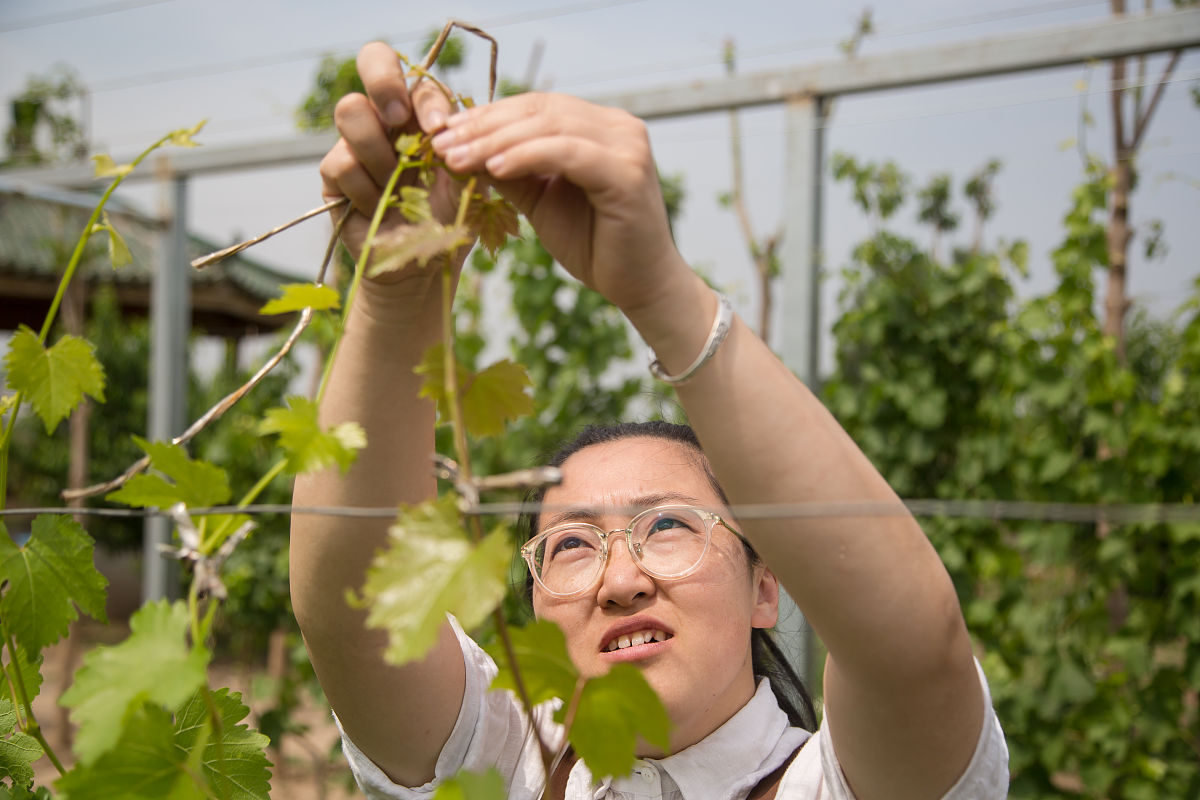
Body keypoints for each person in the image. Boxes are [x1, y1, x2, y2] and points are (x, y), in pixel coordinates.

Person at [290, 41, 1009, 800]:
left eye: (667, 526)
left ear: (767, 587)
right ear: (531, 607)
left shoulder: (828, 787)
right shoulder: (505, 762)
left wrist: (661, 291)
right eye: (570, 543)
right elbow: (354, 611)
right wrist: (397, 295)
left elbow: (914, 652)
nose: (620, 580)